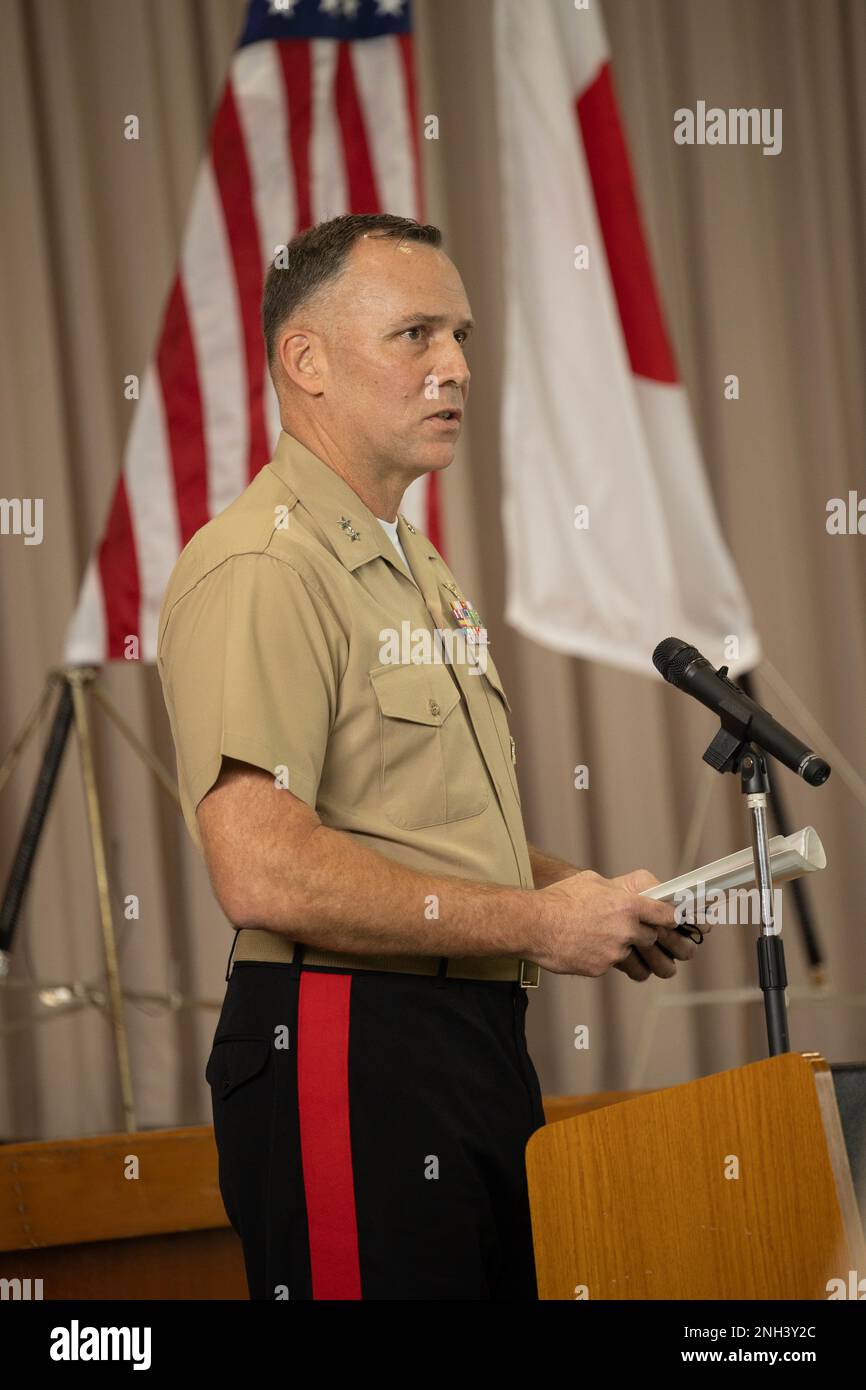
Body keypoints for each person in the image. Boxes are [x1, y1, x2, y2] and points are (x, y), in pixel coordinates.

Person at [157, 212, 692, 1301]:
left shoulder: (417, 568)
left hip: (473, 1036)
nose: (452, 367)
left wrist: (570, 892)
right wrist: (540, 923)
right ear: (304, 360)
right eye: (415, 335)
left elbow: (413, 828)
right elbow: (262, 868)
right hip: (348, 1038)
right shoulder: (262, 564)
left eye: (459, 336)